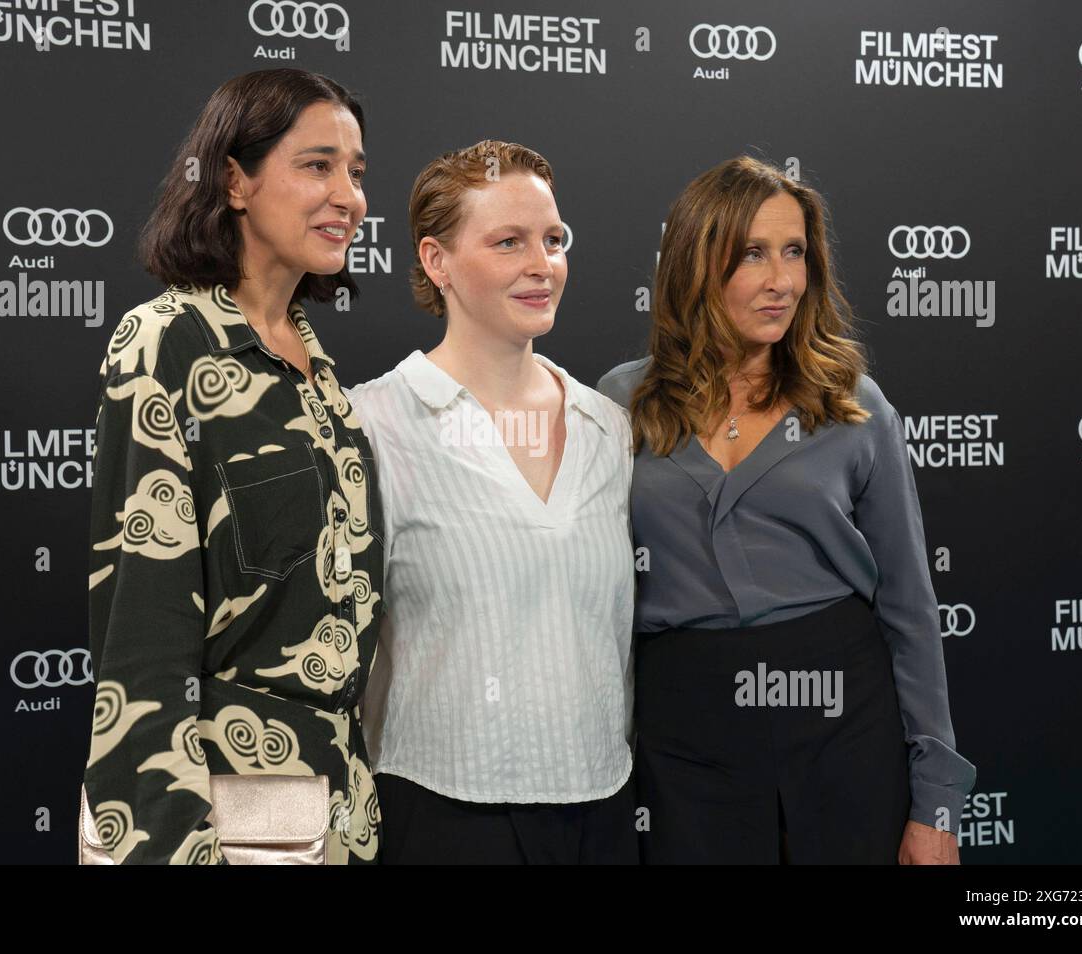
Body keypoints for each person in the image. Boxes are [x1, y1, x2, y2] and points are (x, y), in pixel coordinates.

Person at [598, 156, 976, 865]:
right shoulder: (620, 405)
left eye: (795, 252)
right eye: (752, 255)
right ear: (694, 263)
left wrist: (938, 805)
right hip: (684, 745)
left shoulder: (853, 405)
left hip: (843, 727)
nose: (782, 281)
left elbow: (910, 612)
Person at [81, 68, 384, 864]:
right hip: (224, 821)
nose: (348, 195)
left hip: (342, 817)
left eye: (357, 171)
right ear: (234, 181)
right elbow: (141, 640)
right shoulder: (164, 342)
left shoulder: (323, 379)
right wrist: (170, 846)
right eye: (317, 165)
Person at [348, 140, 638, 864]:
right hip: (442, 815)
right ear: (437, 261)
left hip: (603, 808)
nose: (542, 264)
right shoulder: (374, 423)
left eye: (552, 239)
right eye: (508, 242)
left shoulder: (609, 426)